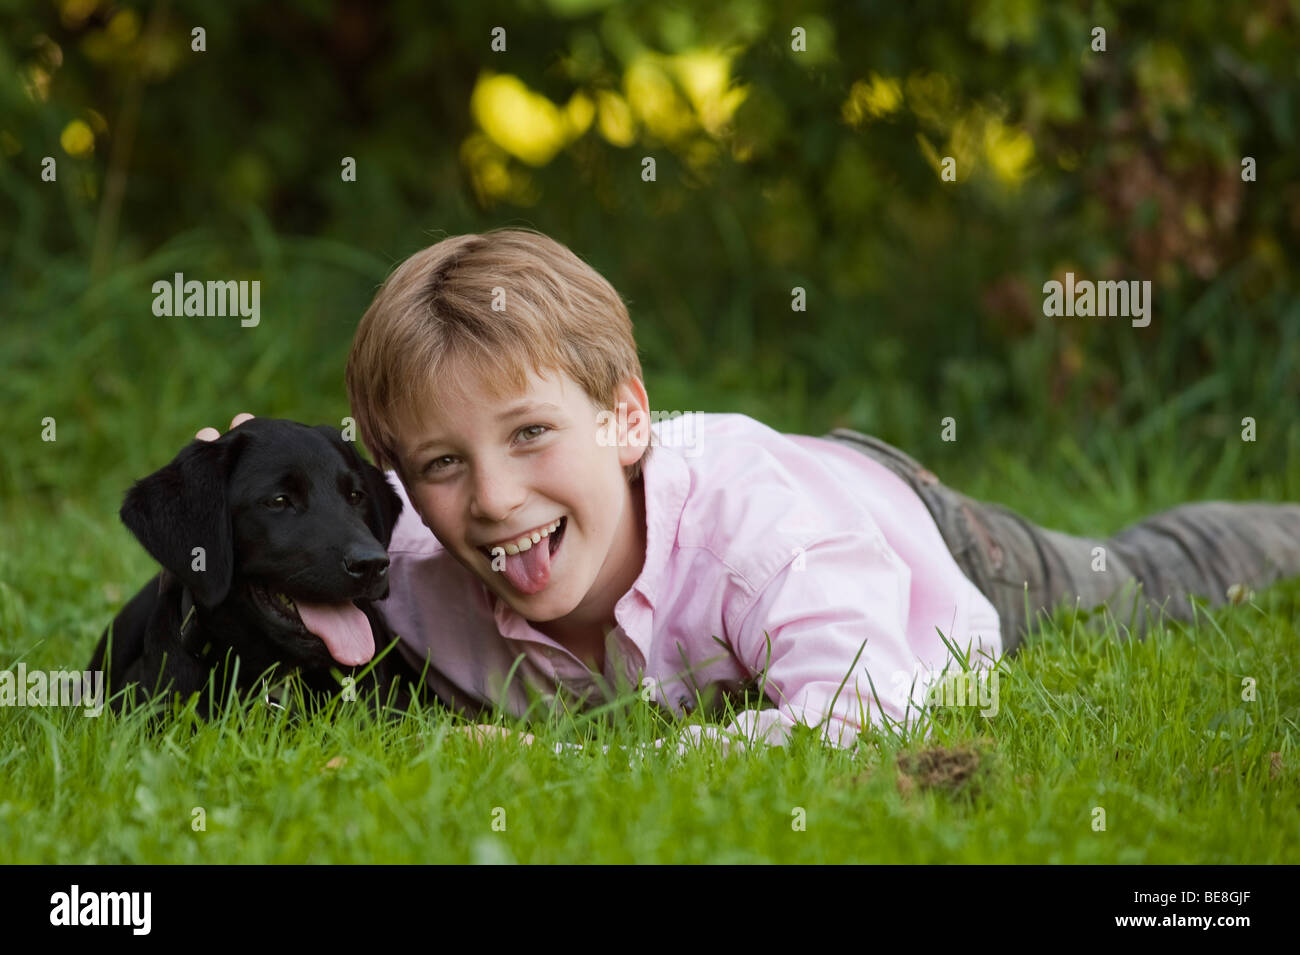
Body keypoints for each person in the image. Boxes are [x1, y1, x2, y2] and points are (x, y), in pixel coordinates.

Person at [200, 228, 1300, 752]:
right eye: (441, 464)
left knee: (1158, 575)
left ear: (624, 415)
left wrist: (670, 756)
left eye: (531, 433)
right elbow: (292, 538)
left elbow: (875, 712)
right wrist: (229, 483)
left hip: (926, 539)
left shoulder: (762, 542)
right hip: (784, 492)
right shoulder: (410, 560)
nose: (490, 497)